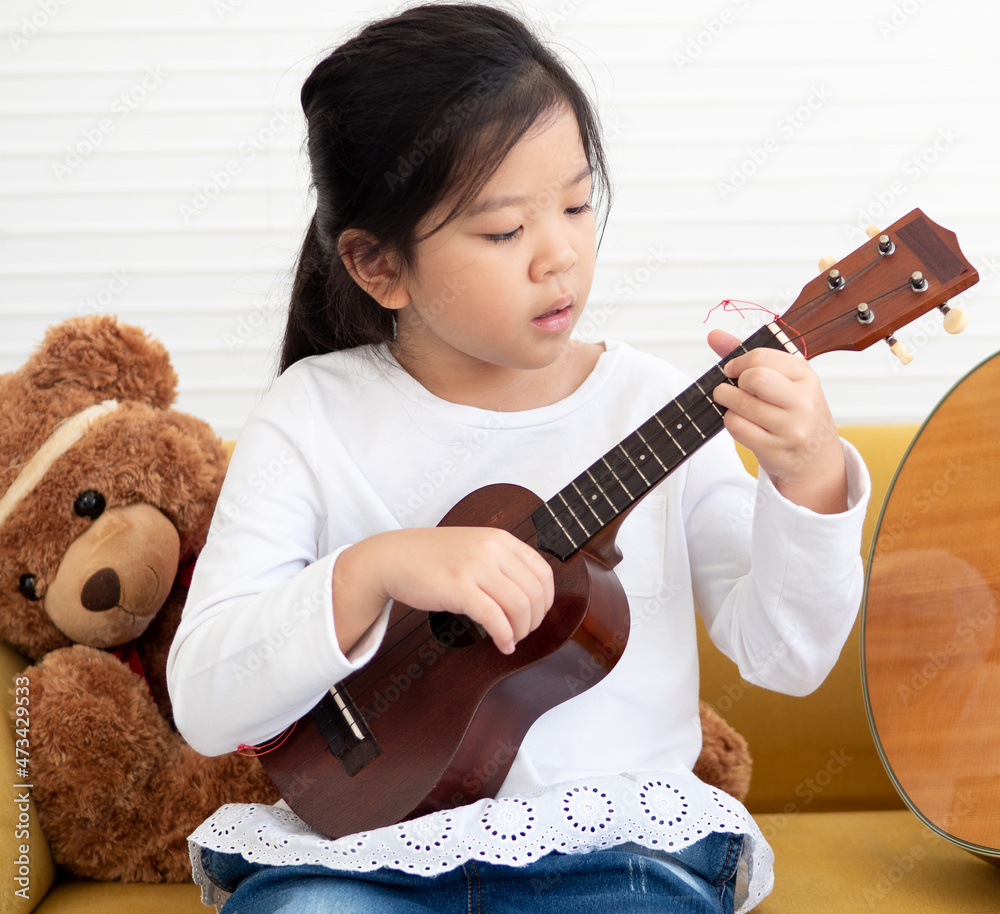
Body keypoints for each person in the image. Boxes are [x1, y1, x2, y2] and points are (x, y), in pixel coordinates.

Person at [166, 4, 870, 912]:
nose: (560, 255)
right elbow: (206, 701)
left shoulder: (652, 405)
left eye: (577, 204)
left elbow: (787, 656)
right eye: (504, 231)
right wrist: (376, 570)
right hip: (367, 859)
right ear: (380, 267)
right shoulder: (313, 414)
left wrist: (809, 477)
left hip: (612, 852)